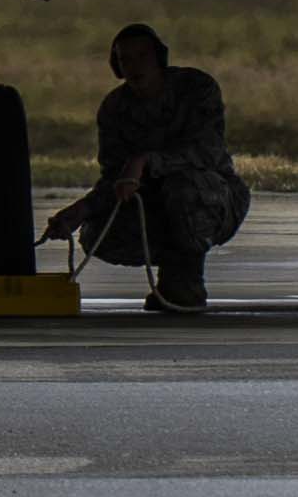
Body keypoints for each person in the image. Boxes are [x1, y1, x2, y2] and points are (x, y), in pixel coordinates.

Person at [43, 21, 252, 315]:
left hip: (213, 195)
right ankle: (173, 276)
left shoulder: (195, 89)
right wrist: (81, 210)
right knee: (96, 233)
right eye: (124, 59)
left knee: (182, 190)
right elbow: (115, 179)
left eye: (142, 56)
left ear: (158, 58)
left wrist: (144, 162)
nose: (134, 66)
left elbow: (207, 151)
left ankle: (187, 282)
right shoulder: (115, 108)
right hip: (153, 202)